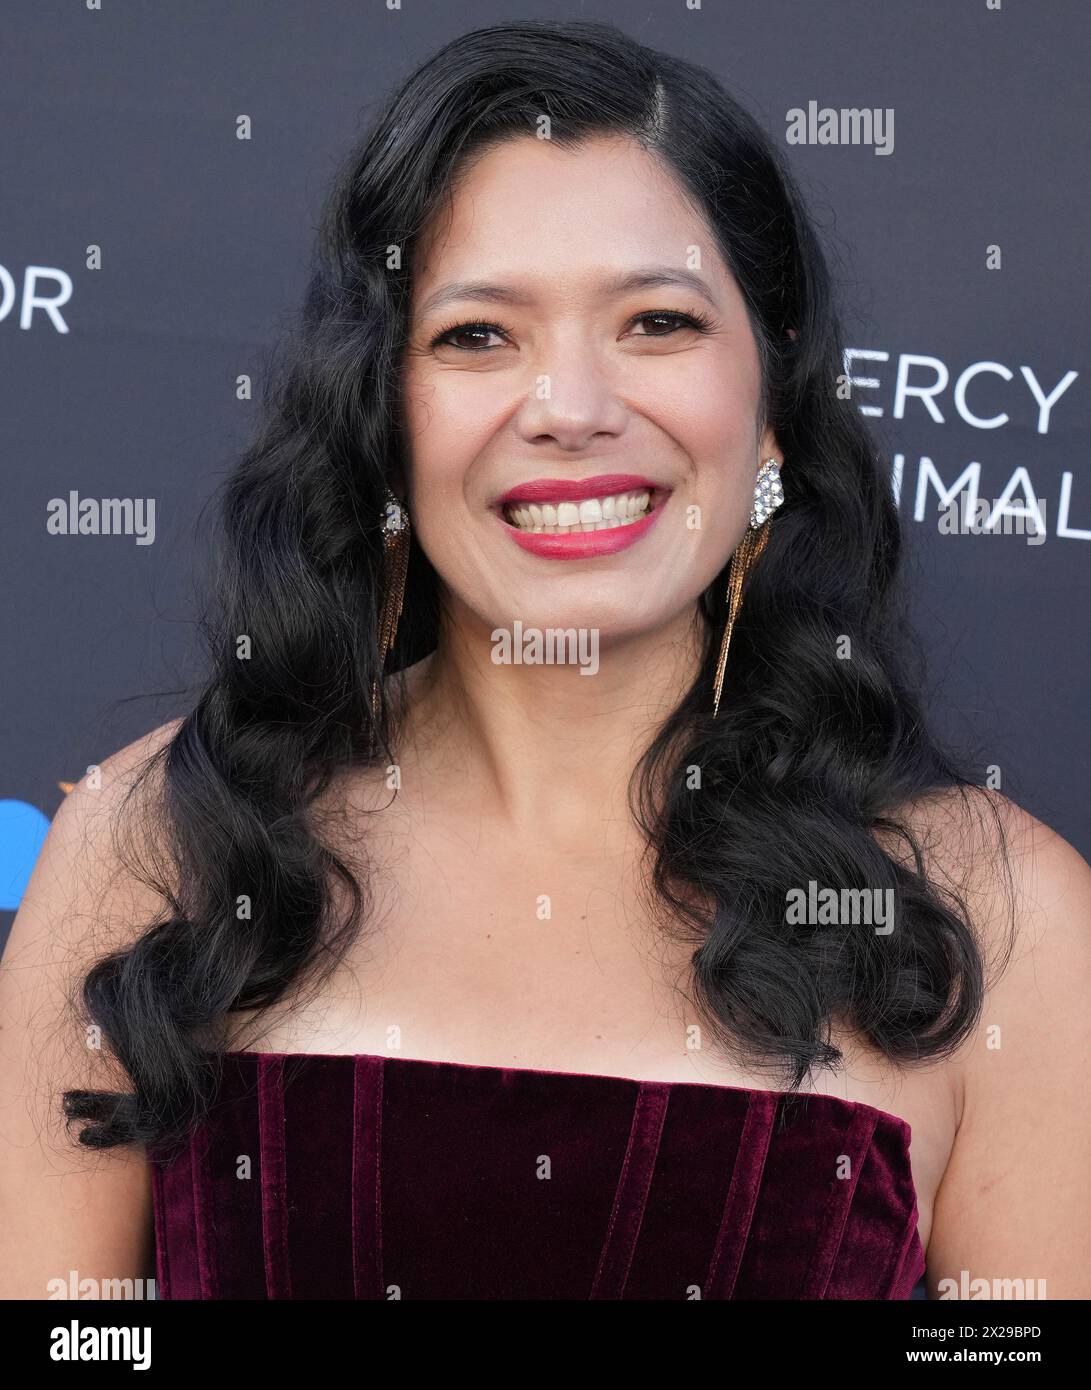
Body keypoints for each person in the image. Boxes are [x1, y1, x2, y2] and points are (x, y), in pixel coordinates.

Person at [2, 18, 1088, 1301]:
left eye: (656, 321)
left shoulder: (993, 917)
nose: (570, 406)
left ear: (775, 415)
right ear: (382, 418)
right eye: (477, 335)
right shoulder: (160, 851)